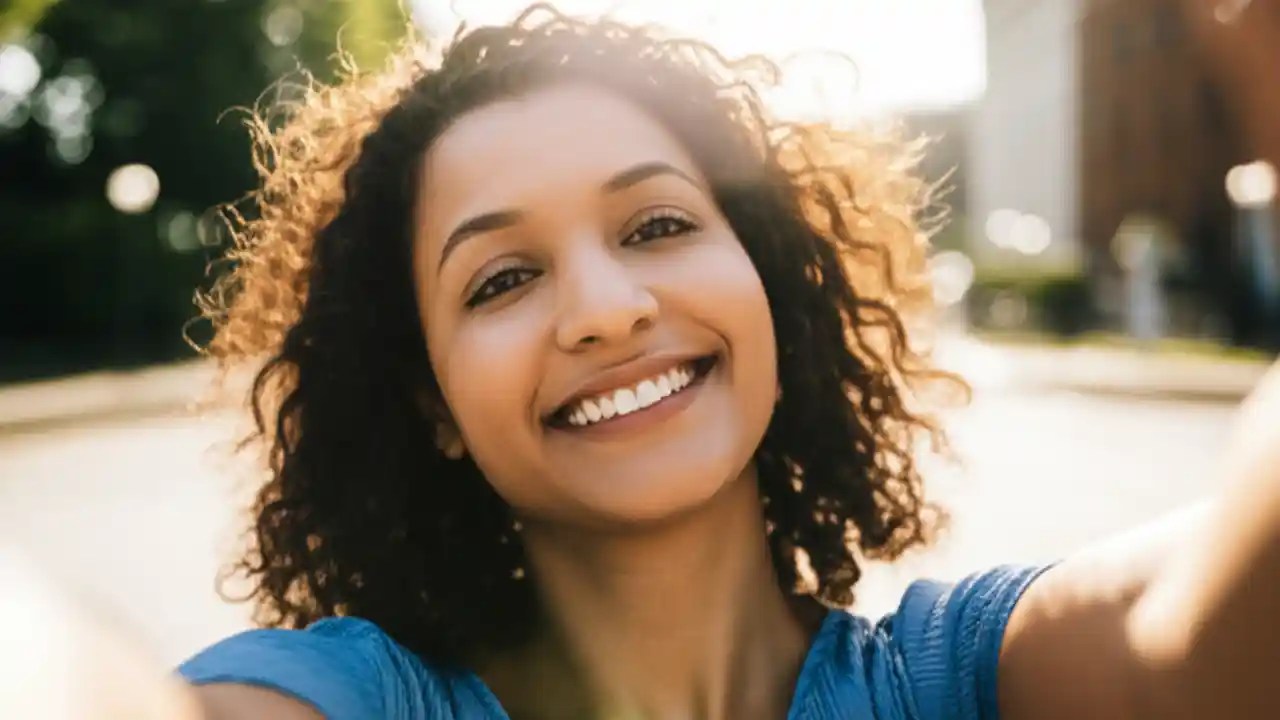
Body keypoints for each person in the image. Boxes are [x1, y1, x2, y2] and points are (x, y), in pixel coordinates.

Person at [177, 6, 1280, 719]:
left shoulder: (965, 679)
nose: (606, 311)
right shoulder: (357, 701)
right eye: (502, 280)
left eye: (656, 226)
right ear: (433, 403)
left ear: (767, 285)